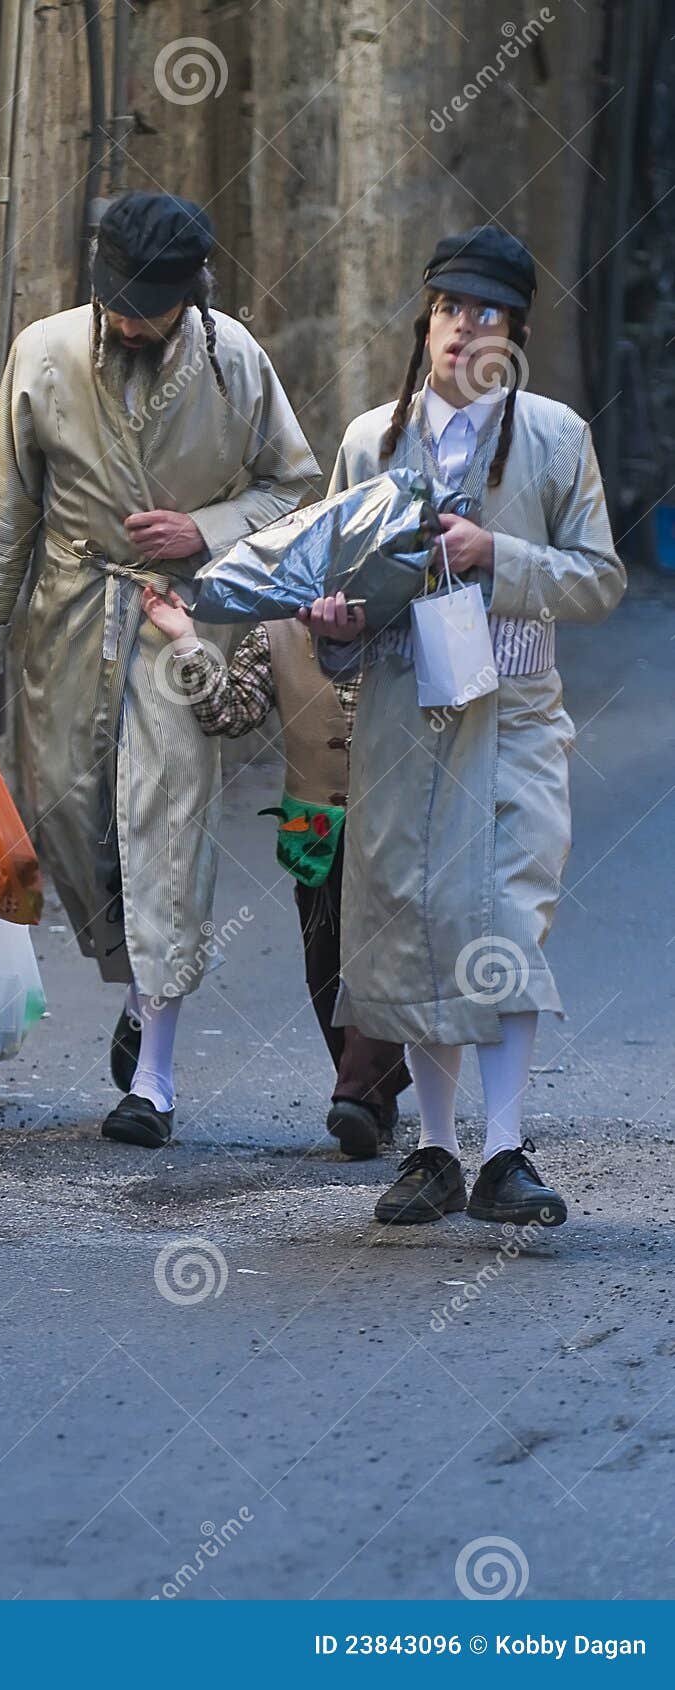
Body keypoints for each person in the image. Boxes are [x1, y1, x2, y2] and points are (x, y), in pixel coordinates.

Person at [0, 192, 318, 1148]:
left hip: (181, 620)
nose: (124, 320)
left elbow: (291, 490)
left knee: (162, 822)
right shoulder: (44, 352)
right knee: (66, 816)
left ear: (191, 296)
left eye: (144, 306)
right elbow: (0, 514)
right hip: (65, 616)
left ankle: (154, 1073)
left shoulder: (238, 366)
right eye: (114, 301)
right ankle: (135, 978)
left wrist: (205, 530)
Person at [302, 226, 625, 1225]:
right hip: (403, 715)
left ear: (513, 333)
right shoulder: (369, 441)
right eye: (448, 310)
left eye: (483, 313)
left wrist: (500, 554)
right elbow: (330, 582)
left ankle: (506, 1149)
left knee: (508, 920)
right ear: (425, 324)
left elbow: (599, 577)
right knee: (414, 930)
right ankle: (436, 1153)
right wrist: (340, 626)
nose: (462, 329)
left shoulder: (557, 439)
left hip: (516, 713)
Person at [142, 587, 410, 1158]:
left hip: (395, 819)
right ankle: (372, 1088)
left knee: (381, 952)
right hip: (311, 825)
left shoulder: (405, 620)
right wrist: (185, 640)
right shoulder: (277, 632)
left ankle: (359, 1093)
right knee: (325, 963)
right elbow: (228, 713)